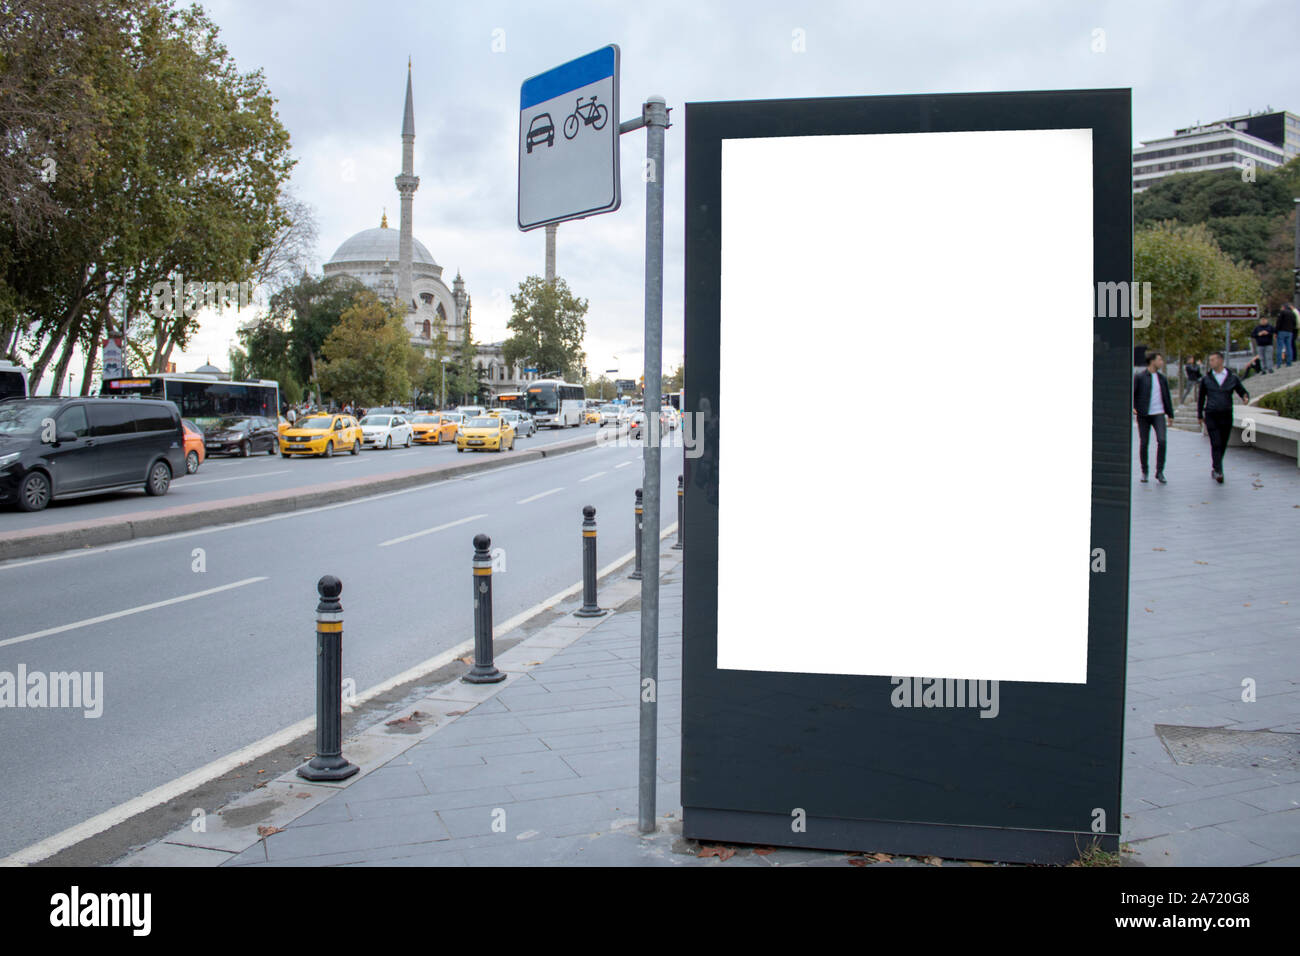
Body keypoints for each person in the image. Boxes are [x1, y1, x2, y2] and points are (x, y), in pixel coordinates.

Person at [1196, 350, 1249, 484]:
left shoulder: (1232, 377)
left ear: (1220, 361)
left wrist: (1245, 396)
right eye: (1210, 360)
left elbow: (1241, 390)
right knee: (1216, 442)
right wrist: (1199, 415)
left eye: (1213, 360)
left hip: (1226, 414)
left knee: (1223, 443)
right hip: (1211, 414)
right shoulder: (1206, 379)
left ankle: (1216, 466)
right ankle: (1219, 471)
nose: (1211, 362)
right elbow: (1201, 397)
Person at [1133, 352, 1173, 483]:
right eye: (1160, 360)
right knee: (1144, 443)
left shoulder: (1162, 378)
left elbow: (1167, 397)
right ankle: (1144, 471)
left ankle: (1160, 471)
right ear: (1152, 361)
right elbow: (1133, 393)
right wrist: (1133, 407)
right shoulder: (1139, 377)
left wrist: (1170, 414)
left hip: (1159, 414)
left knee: (1162, 441)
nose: (1162, 362)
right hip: (1144, 415)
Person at [1277, 303, 1297, 368]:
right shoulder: (1292, 313)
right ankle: (1289, 362)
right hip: (1290, 332)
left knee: (1280, 347)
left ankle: (1279, 363)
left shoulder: (1282, 313)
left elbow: (1279, 322)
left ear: (1283, 307)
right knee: (1289, 347)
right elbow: (1295, 323)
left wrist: (1276, 331)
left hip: (1281, 331)